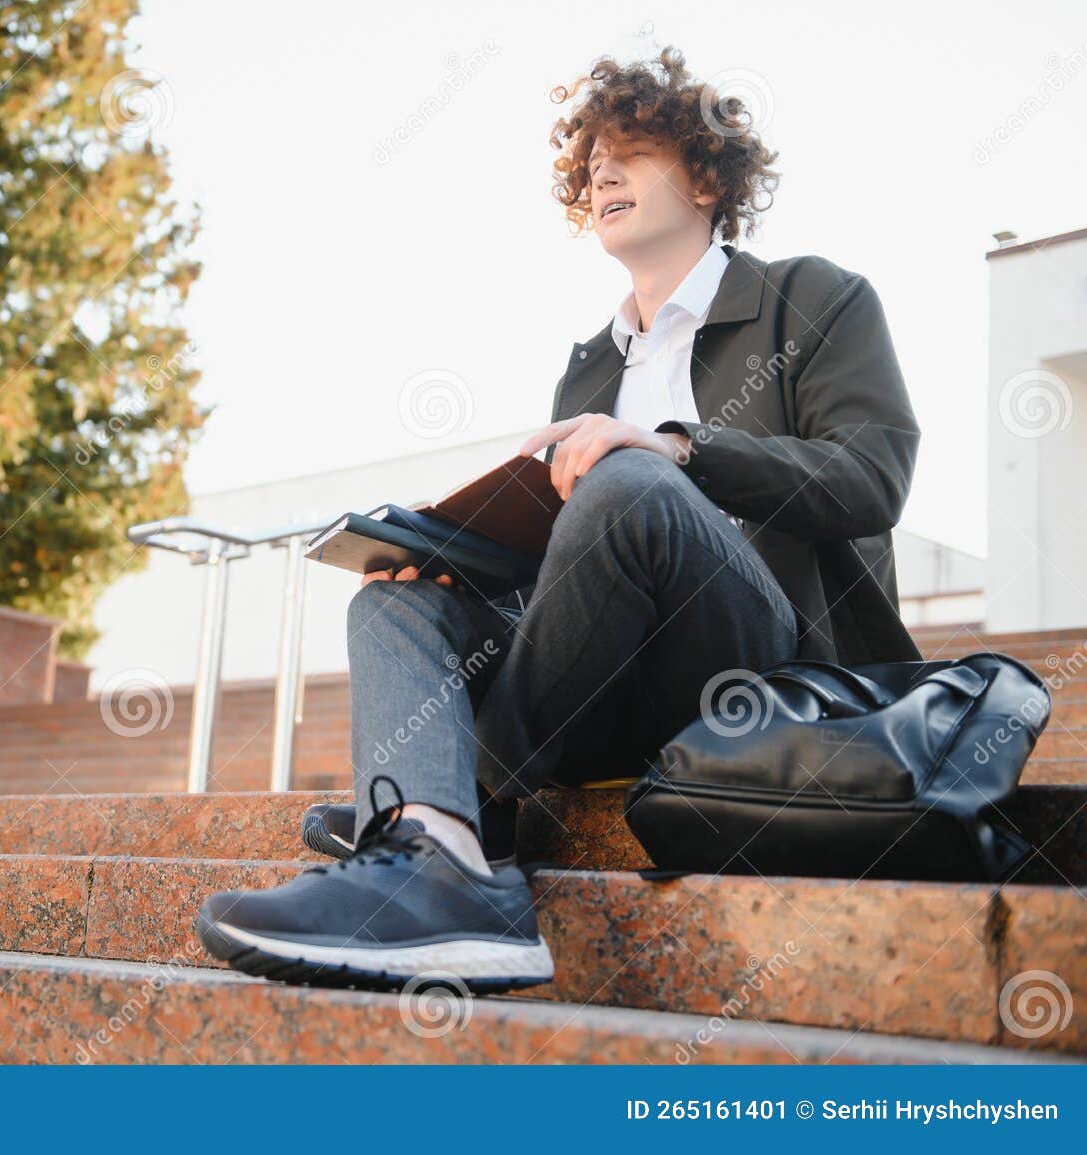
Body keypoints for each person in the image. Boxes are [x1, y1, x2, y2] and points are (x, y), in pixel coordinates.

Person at [196, 47, 921, 992]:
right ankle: (447, 868)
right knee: (396, 603)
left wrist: (677, 445)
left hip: (762, 669)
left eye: (630, 152)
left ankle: (451, 796)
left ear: (705, 176)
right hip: (609, 691)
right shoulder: (588, 366)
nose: (601, 174)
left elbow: (872, 477)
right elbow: (567, 575)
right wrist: (463, 565)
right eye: (589, 165)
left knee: (626, 480)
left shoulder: (813, 299)